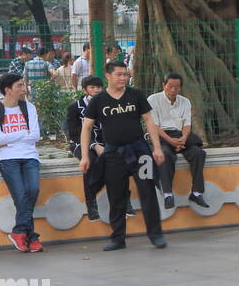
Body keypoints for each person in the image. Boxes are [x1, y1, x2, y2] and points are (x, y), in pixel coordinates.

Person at [80, 60, 168, 251]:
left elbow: (149, 121)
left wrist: (157, 148)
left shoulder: (135, 95)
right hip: (114, 155)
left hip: (140, 152)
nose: (123, 78)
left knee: (148, 192)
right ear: (108, 76)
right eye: (119, 74)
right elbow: (86, 127)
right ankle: (118, 238)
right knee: (116, 196)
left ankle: (156, 235)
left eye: (125, 74)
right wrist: (85, 156)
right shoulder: (99, 100)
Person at [0, 74, 43, 253]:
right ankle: (31, 236)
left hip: (29, 155)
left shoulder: (29, 108)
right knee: (20, 195)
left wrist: (8, 139)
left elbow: (35, 135)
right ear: (8, 90)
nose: (24, 89)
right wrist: (22, 134)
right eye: (19, 86)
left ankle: (20, 232)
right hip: (6, 158)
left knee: (33, 190)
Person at [146, 74, 209, 211]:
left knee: (198, 153)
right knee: (165, 155)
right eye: (170, 86)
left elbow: (187, 124)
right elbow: (154, 126)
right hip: (162, 136)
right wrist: (171, 141)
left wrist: (184, 138)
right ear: (164, 85)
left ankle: (197, 192)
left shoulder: (185, 101)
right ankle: (168, 194)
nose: (173, 90)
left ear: (181, 87)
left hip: (181, 136)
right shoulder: (153, 100)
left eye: (177, 87)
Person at [66, 75, 112, 221]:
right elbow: (73, 133)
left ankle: (124, 201)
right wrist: (94, 145)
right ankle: (91, 204)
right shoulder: (74, 108)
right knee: (90, 163)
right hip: (80, 144)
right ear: (84, 90)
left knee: (117, 163)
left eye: (98, 87)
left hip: (105, 143)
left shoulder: (108, 104)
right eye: (92, 87)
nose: (96, 90)